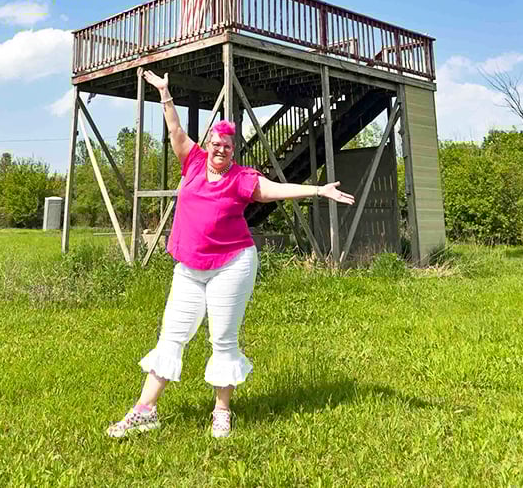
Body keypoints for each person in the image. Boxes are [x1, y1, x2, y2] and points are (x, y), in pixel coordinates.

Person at [107, 69, 355, 439]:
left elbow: (274, 190)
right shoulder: (191, 162)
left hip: (231, 266)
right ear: (208, 143)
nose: (220, 149)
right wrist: (164, 94)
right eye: (216, 143)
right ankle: (145, 411)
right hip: (189, 267)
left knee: (222, 337)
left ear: (232, 150)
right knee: (171, 336)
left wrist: (318, 191)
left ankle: (222, 410)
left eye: (227, 146)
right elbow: (175, 131)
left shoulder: (241, 178)